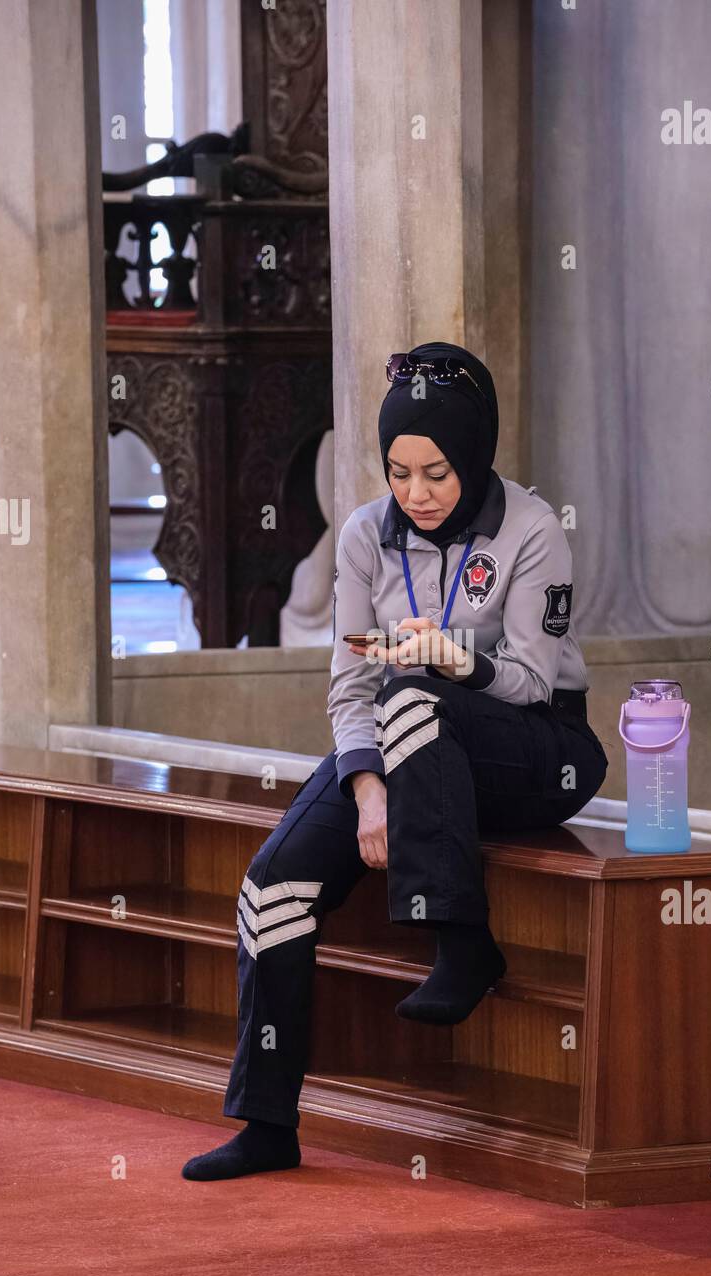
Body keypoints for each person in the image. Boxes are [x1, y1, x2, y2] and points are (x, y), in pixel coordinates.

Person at [182, 342, 608, 1181]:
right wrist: (371, 792)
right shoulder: (362, 539)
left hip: (537, 747)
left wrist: (453, 660)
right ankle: (266, 1123)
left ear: (475, 456)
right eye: (399, 471)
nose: (416, 494)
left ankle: (462, 941)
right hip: (401, 744)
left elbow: (529, 681)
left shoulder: (531, 531)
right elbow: (349, 687)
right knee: (274, 889)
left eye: (438, 473)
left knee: (416, 695)